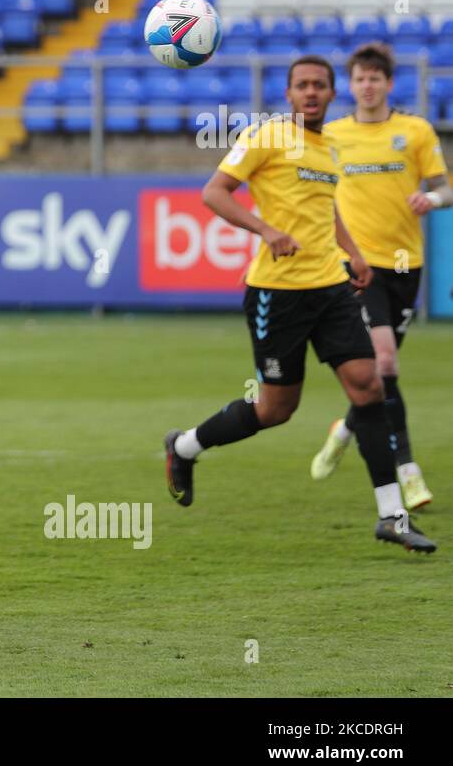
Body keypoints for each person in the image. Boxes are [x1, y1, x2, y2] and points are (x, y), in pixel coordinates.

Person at [162, 56, 436, 553]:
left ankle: (392, 515)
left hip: (331, 289)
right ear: (288, 95)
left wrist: (353, 255)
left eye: (319, 86)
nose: (311, 92)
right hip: (276, 293)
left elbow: (325, 209)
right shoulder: (266, 137)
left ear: (332, 95)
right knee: (276, 409)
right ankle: (184, 447)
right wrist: (266, 230)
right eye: (302, 85)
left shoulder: (330, 146)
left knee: (369, 385)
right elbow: (214, 193)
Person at [311, 42, 452, 510]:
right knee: (386, 363)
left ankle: (346, 427)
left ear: (389, 84)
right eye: (359, 79)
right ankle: (409, 472)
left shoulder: (414, 131)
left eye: (375, 78)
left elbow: (444, 186)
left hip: (406, 266)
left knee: (376, 376)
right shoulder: (331, 136)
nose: (367, 86)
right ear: (349, 87)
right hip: (358, 265)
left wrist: (430, 201)